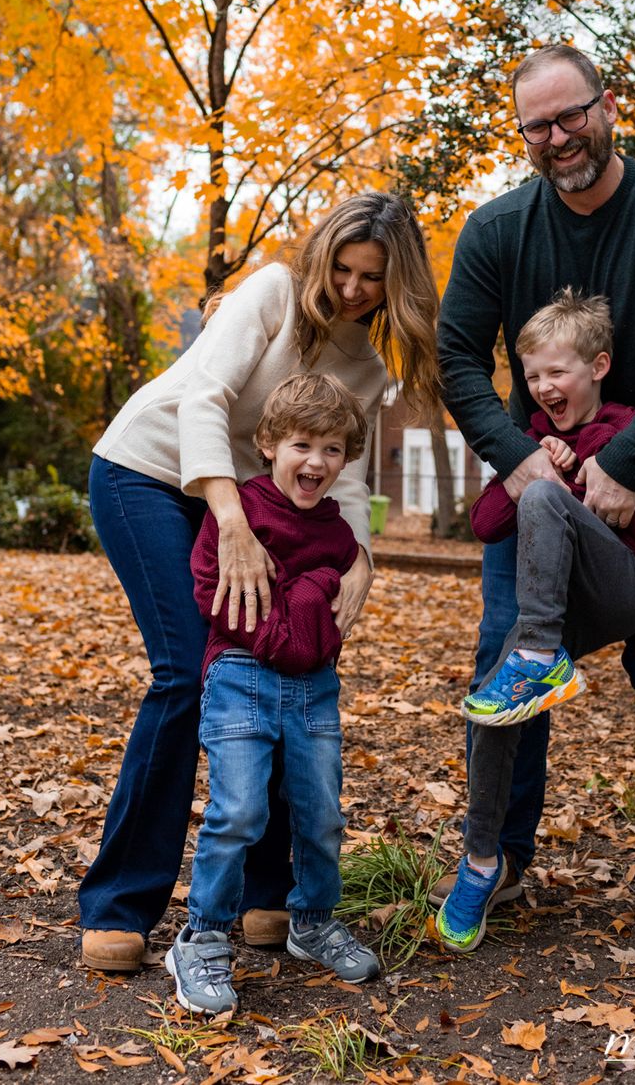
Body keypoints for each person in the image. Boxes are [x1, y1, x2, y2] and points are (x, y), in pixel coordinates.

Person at [437, 43, 635, 950]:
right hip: (543, 477)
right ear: (525, 133)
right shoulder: (498, 231)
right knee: (507, 664)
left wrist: (628, 460)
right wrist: (516, 457)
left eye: (572, 113)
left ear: (607, 107)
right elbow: (458, 357)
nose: (558, 135)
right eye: (538, 123)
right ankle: (498, 860)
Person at [81, 192, 440, 972]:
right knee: (187, 674)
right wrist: (232, 520)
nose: (350, 289)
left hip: (251, 507)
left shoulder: (368, 368)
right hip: (149, 473)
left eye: (370, 278)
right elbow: (205, 396)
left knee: (294, 665)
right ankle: (121, 905)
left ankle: (268, 895)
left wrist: (361, 557)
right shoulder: (274, 291)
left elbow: (340, 478)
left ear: (393, 283)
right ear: (321, 259)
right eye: (341, 269)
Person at [435, 290, 635, 953]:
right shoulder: (540, 444)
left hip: (625, 587)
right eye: (532, 376)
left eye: (556, 372)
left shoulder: (627, 431)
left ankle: (537, 660)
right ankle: (482, 860)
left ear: (598, 366)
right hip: (559, 612)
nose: (543, 387)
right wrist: (526, 461)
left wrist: (565, 483)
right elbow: (487, 526)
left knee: (543, 497)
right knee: (488, 705)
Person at [166, 374, 381, 1016]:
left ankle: (311, 921)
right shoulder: (240, 513)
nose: (316, 462)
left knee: (320, 816)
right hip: (240, 676)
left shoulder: (340, 534)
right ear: (267, 443)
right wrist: (298, 606)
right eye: (301, 444)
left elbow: (337, 604)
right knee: (236, 814)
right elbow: (213, 591)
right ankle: (201, 938)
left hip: (315, 688)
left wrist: (314, 589)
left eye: (333, 449)